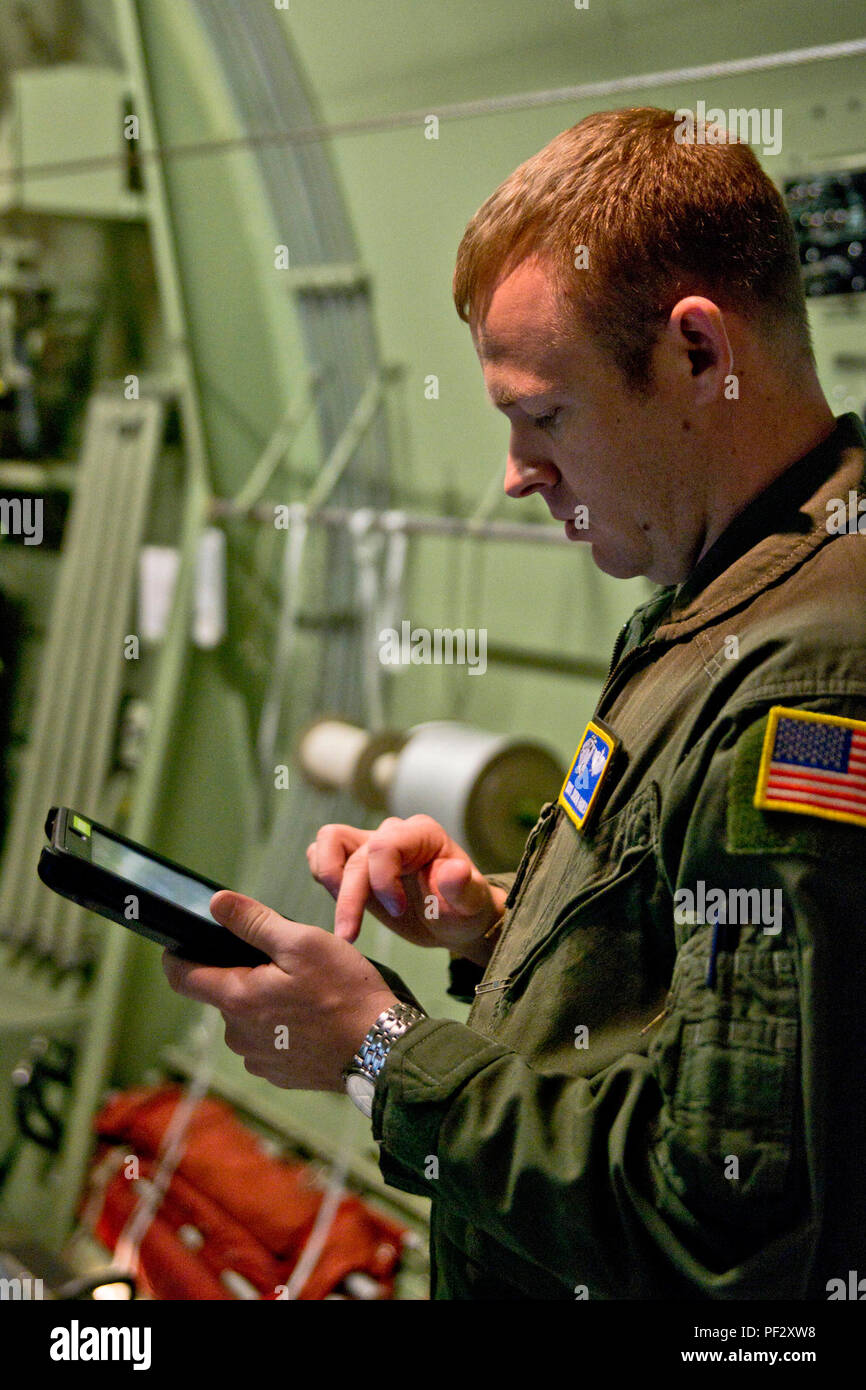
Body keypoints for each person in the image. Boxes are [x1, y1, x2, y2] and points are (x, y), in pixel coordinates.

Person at [163, 107, 866, 1300]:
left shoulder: (802, 685)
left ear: (699, 355)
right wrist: (504, 934)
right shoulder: (727, 595)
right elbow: (697, 1020)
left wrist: (378, 1053)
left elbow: (727, 1223)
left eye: (543, 416)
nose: (513, 472)